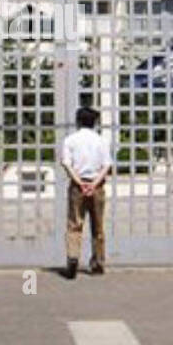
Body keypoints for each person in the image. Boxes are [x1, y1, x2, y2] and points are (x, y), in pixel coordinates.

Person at [60, 105, 111, 279]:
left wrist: (80, 183)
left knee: (74, 224)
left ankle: (73, 258)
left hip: (77, 187)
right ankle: (97, 263)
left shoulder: (70, 140)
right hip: (97, 187)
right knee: (98, 227)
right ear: (94, 122)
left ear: (78, 121)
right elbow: (106, 166)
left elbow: (66, 164)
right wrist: (94, 184)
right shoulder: (101, 140)